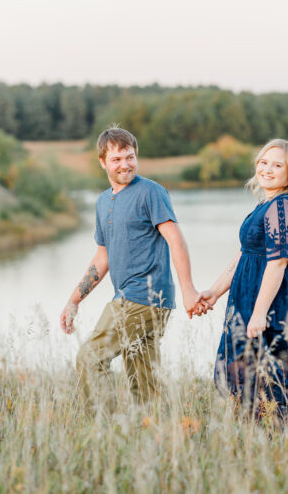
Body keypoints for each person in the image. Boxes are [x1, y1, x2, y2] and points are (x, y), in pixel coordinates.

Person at [60, 127, 208, 413]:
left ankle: (109, 430)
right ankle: (154, 436)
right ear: (102, 162)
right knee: (144, 380)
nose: (125, 164)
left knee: (90, 358)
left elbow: (176, 240)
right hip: (132, 297)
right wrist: (73, 300)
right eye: (117, 159)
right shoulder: (104, 202)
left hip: (144, 296)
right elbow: (102, 259)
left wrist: (188, 289)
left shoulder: (151, 192)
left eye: (130, 157)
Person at [196, 138, 288, 421]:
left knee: (280, 388)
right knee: (245, 379)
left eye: (277, 165)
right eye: (263, 162)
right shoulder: (267, 205)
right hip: (251, 300)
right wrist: (214, 292)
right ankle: (263, 447)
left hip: (278, 305)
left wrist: (259, 313)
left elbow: (277, 263)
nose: (267, 169)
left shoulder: (282, 208)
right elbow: (246, 256)